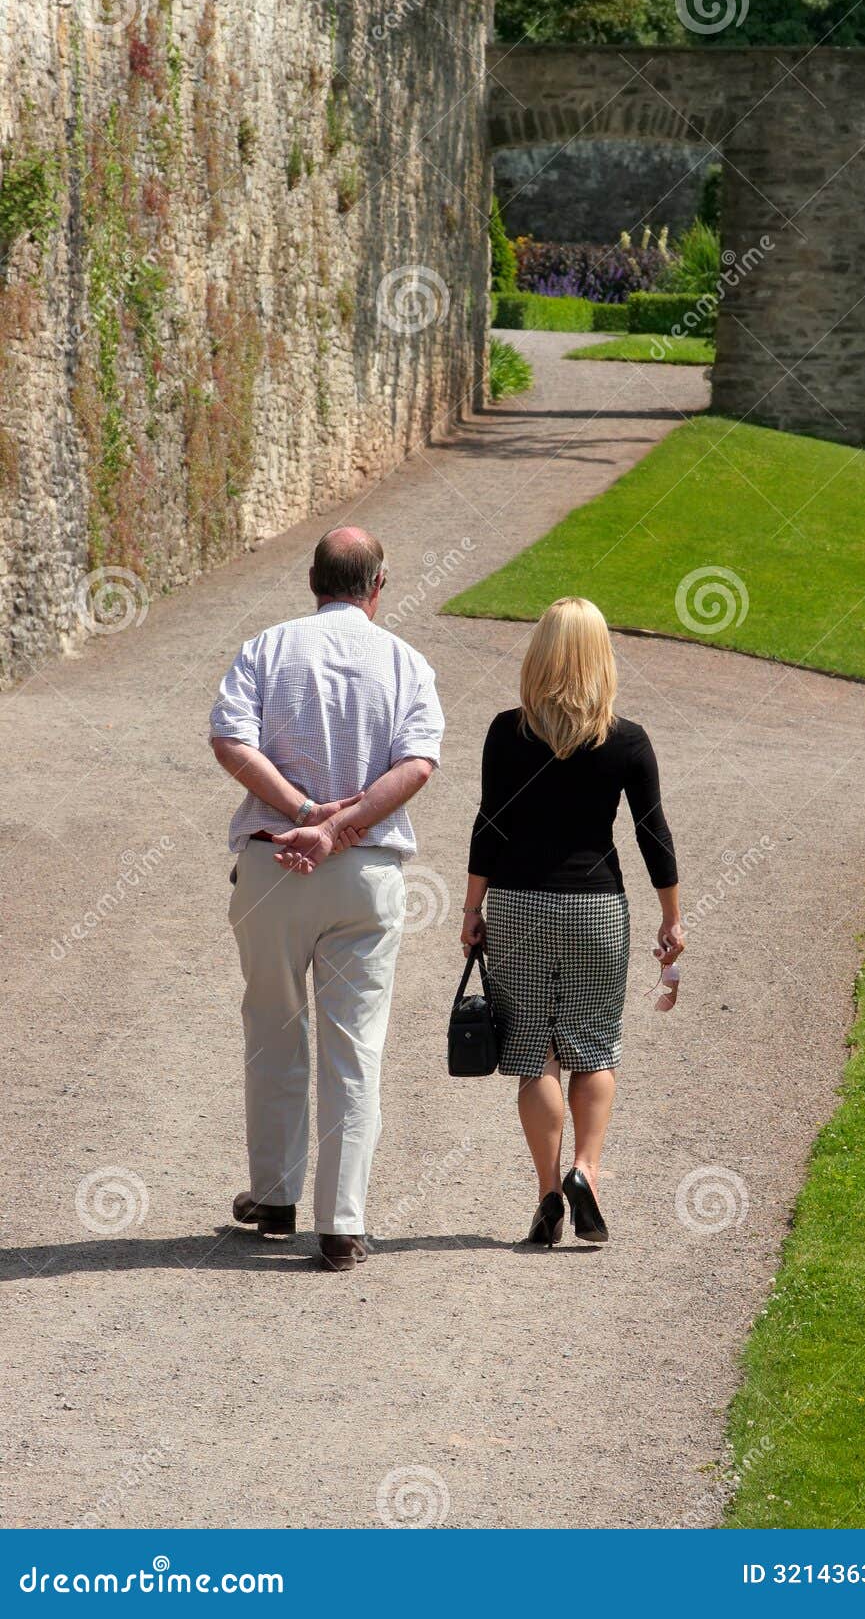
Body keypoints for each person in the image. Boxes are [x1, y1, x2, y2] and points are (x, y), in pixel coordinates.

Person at [209, 525, 443, 1272]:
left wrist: (302, 813)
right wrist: (342, 825)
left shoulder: (266, 649)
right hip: (366, 873)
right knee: (356, 1046)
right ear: (379, 585)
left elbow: (229, 741)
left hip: (274, 864)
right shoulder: (406, 661)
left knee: (273, 1029)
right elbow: (417, 765)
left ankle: (275, 1197)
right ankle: (343, 1223)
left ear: (312, 580)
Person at [461, 596, 683, 1248]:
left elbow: (489, 827)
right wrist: (672, 920)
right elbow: (653, 835)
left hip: (520, 903)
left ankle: (549, 1192)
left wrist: (472, 909)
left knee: (536, 1057)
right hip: (596, 908)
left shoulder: (508, 732)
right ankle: (587, 1169)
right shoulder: (628, 739)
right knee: (594, 1046)